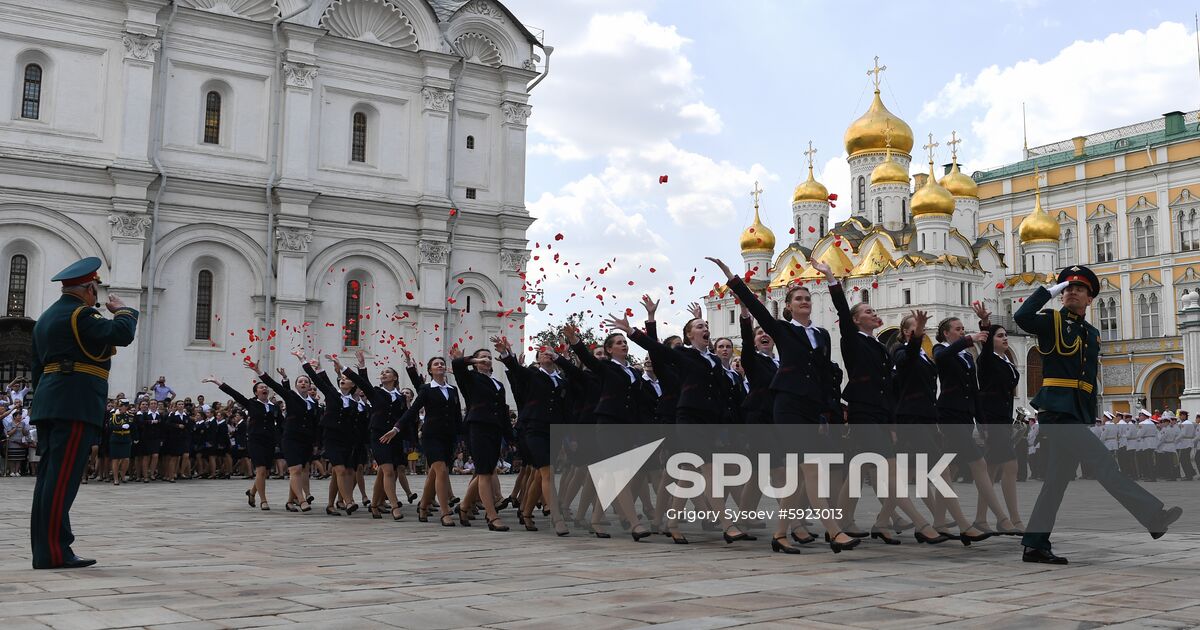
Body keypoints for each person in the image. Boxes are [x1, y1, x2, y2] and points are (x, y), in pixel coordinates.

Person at [1016, 265, 1181, 564]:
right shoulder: (1051, 321)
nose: (1072, 292)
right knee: (1103, 462)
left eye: (1078, 289)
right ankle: (1152, 516)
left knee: (1056, 482)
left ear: (1090, 299)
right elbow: (1021, 317)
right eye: (1067, 288)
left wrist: (1087, 415)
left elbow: (1089, 379)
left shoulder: (1091, 334)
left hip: (1074, 414)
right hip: (1056, 412)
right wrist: (1048, 291)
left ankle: (1035, 544)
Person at [30, 257, 138, 569]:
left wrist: (45, 401)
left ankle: (50, 549)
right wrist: (125, 311)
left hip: (52, 403)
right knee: (62, 479)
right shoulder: (81, 314)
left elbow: (37, 369)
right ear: (89, 288)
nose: (96, 297)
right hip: (74, 403)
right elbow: (121, 334)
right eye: (95, 290)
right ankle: (53, 552)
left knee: (50, 479)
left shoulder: (45, 318)